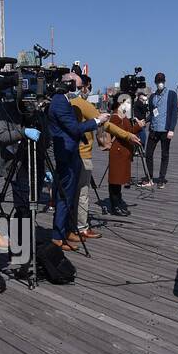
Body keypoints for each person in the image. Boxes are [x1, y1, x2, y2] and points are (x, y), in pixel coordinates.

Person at [46, 73, 92, 251]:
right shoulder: (59, 102)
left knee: (70, 195)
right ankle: (58, 236)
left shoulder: (64, 101)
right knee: (64, 196)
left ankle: (66, 230)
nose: (80, 91)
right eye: (78, 87)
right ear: (69, 84)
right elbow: (73, 128)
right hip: (65, 154)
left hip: (71, 153)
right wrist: (96, 121)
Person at [69, 75, 107, 239]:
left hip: (70, 152)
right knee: (83, 193)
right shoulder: (82, 104)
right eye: (88, 87)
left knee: (71, 192)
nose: (88, 90)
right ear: (83, 87)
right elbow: (104, 122)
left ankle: (70, 225)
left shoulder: (67, 103)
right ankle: (82, 226)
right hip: (83, 153)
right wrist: (127, 135)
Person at [103, 93, 143, 215]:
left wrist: (137, 127)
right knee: (115, 180)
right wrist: (136, 127)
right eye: (128, 103)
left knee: (118, 180)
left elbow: (128, 132)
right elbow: (122, 134)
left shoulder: (122, 116)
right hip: (118, 151)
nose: (129, 106)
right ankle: (115, 206)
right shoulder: (116, 116)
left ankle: (117, 204)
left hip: (122, 151)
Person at [140, 71, 178, 189]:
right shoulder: (152, 96)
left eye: (161, 81)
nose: (160, 83)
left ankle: (161, 179)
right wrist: (144, 121)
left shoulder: (171, 94)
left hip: (165, 130)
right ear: (155, 83)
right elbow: (152, 113)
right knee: (148, 154)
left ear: (164, 81)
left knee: (164, 155)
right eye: (158, 81)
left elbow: (174, 113)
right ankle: (149, 177)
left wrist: (171, 129)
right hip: (154, 129)